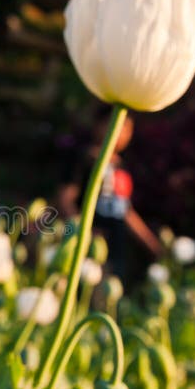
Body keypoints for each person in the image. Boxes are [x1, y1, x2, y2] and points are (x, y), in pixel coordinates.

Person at [57, 116, 161, 281]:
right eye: (119, 126)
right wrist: (84, 232)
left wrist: (152, 244)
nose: (123, 133)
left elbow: (125, 210)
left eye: (128, 129)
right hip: (87, 243)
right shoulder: (84, 158)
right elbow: (65, 199)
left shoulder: (121, 167)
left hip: (115, 245)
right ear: (100, 125)